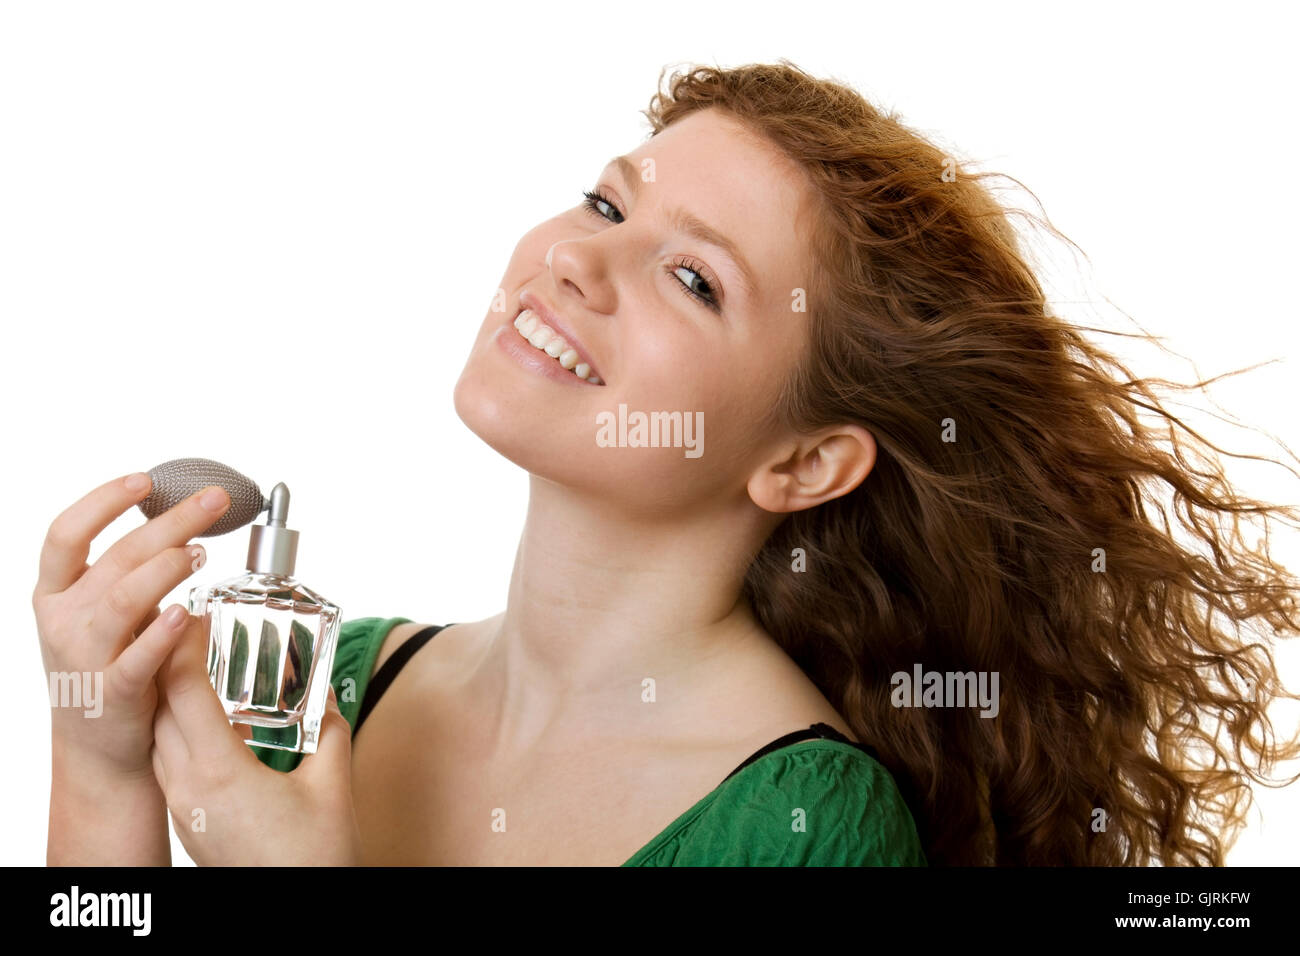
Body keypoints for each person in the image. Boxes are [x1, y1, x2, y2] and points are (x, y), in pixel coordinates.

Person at [37, 60, 1300, 867]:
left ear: (803, 463)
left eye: (692, 277)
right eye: (605, 203)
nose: (575, 263)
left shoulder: (805, 827)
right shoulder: (337, 683)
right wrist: (96, 764)